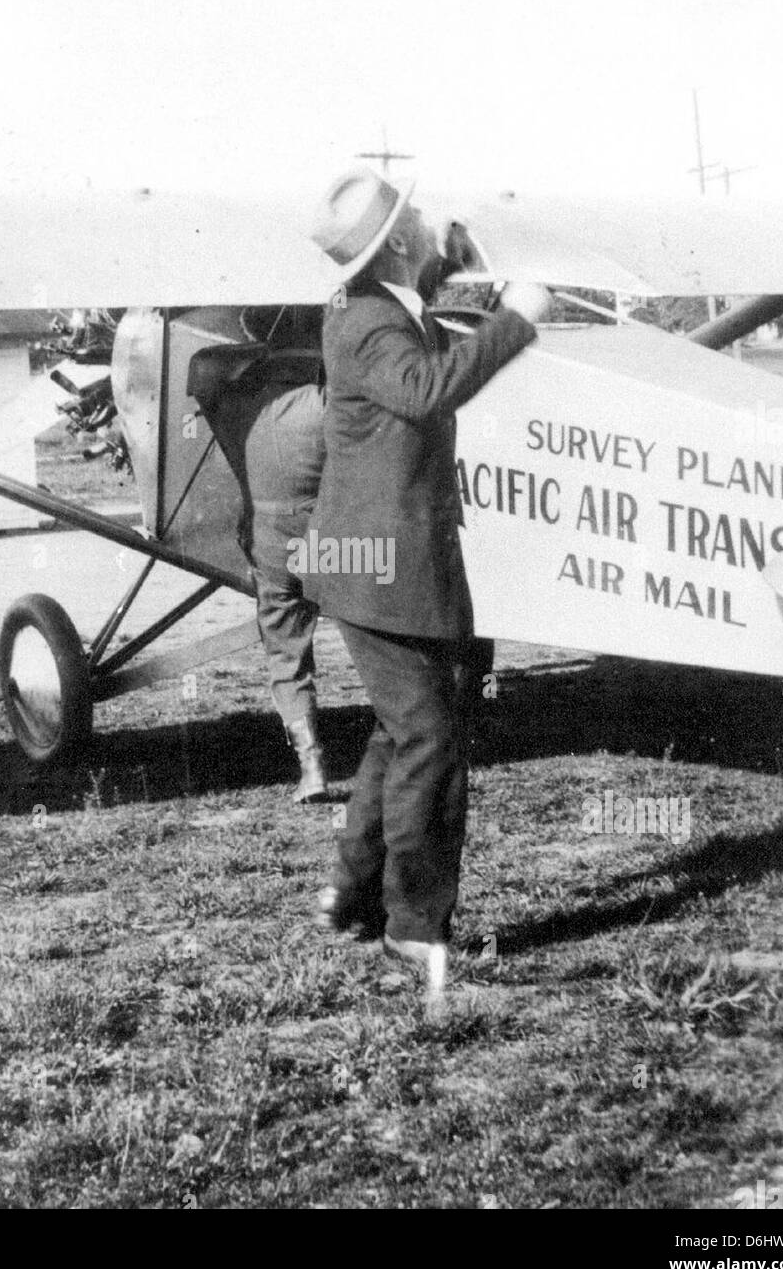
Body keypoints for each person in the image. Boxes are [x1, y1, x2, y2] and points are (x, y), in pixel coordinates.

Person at [306, 167, 550, 1011]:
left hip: (369, 557)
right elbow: (427, 387)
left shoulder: (371, 302)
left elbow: (421, 299)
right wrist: (518, 317)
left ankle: (350, 894)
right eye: (419, 220)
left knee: (399, 727)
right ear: (400, 239)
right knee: (432, 736)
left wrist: (463, 256)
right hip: (380, 560)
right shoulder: (375, 324)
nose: (429, 224)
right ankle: (412, 924)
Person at [189, 310, 330, 803]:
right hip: (334, 541)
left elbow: (203, 364)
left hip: (271, 541)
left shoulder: (234, 403)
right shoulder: (325, 402)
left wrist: (254, 349)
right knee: (381, 624)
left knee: (286, 651)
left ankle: (311, 767)